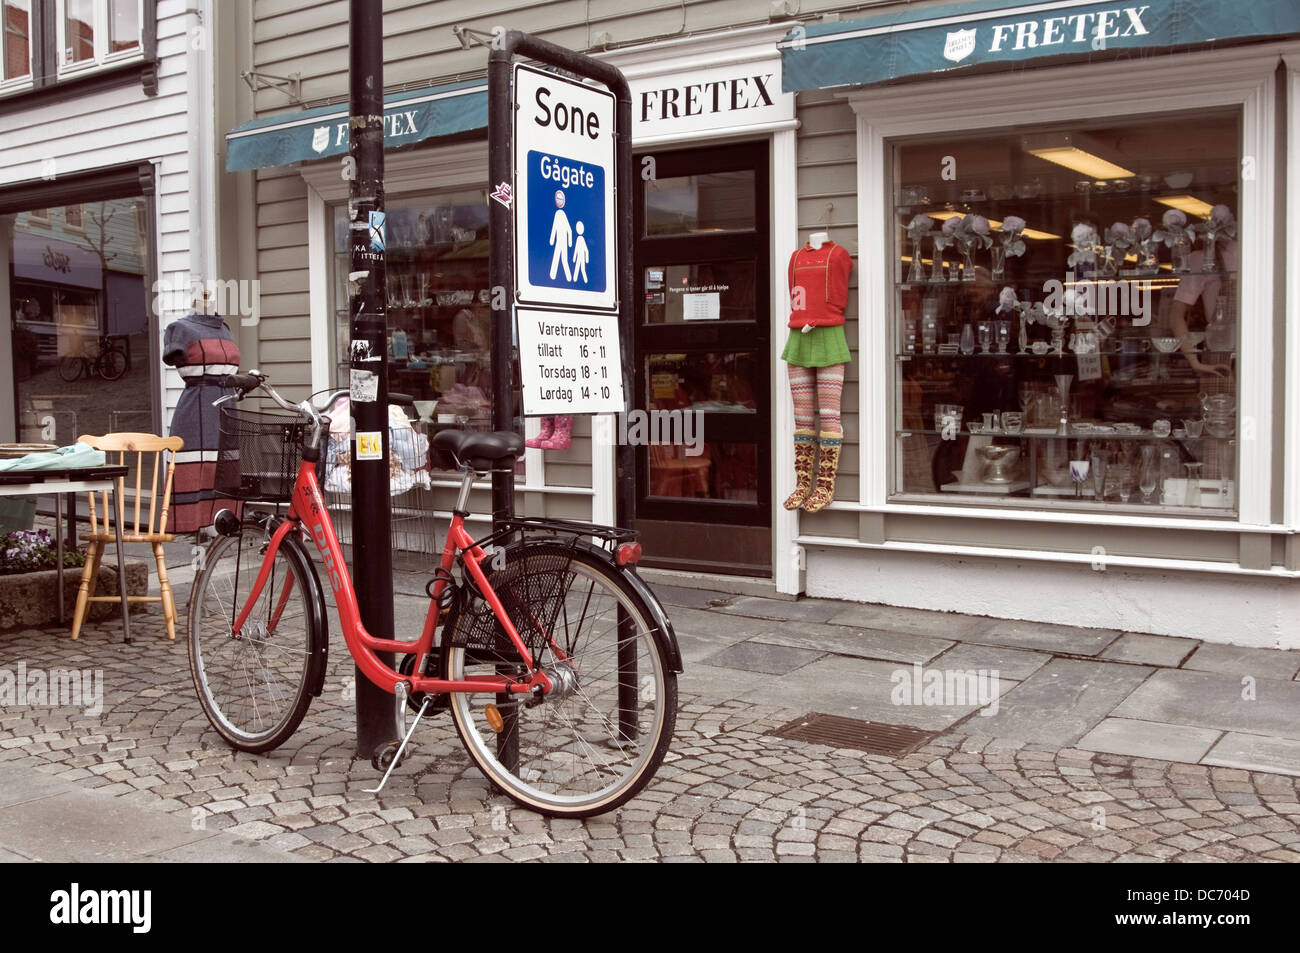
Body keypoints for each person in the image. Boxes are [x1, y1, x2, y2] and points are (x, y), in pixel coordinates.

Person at [782, 231, 852, 513]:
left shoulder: (838, 255)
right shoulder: (796, 257)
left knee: (829, 414)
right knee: (801, 416)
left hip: (829, 335)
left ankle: (824, 485)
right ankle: (802, 484)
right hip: (799, 335)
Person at [163, 289, 240, 534]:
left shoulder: (225, 329)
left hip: (228, 406)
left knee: (223, 465)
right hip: (196, 407)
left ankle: (222, 522)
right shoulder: (180, 329)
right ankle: (192, 526)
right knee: (196, 465)